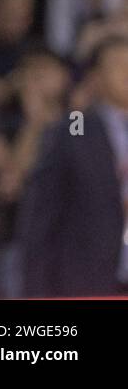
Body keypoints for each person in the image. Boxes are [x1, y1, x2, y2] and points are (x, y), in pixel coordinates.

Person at [16, 35, 128, 296]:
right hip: (90, 281)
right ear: (95, 77)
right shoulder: (71, 133)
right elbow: (40, 219)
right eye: (119, 65)